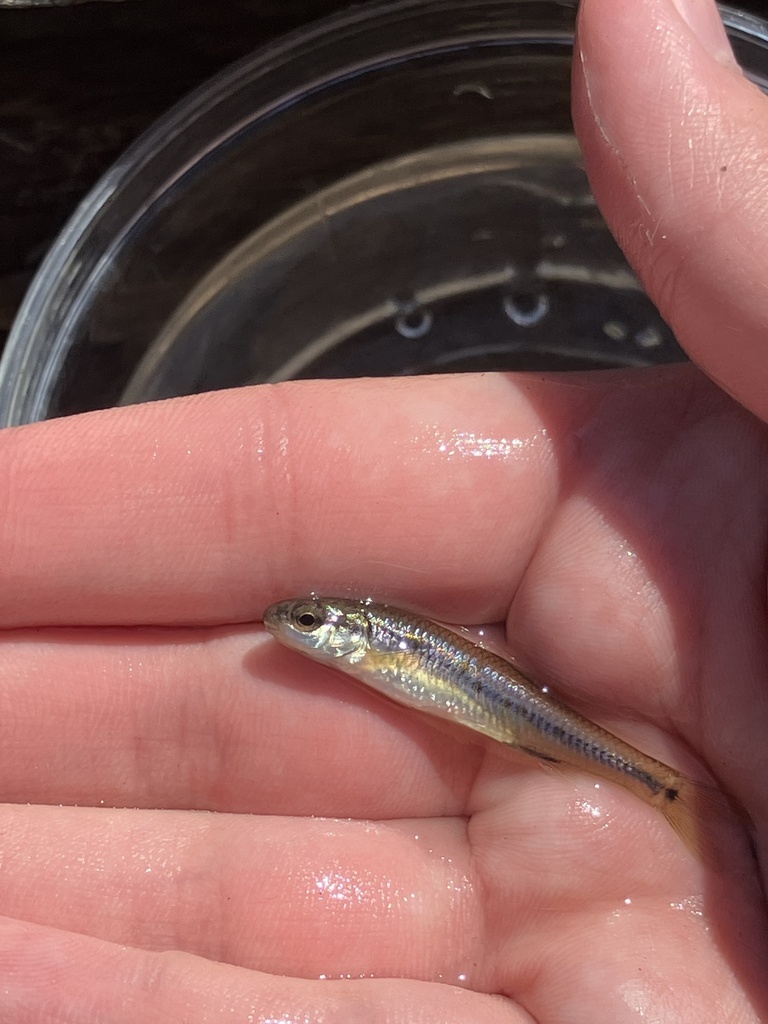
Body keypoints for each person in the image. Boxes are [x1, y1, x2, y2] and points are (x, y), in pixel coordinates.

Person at [0, 0, 766, 1019]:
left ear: (355, 635)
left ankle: (661, 791)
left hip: (545, 722)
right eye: (312, 622)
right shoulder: (380, 647)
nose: (300, 631)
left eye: (315, 622)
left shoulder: (385, 643)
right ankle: (657, 790)